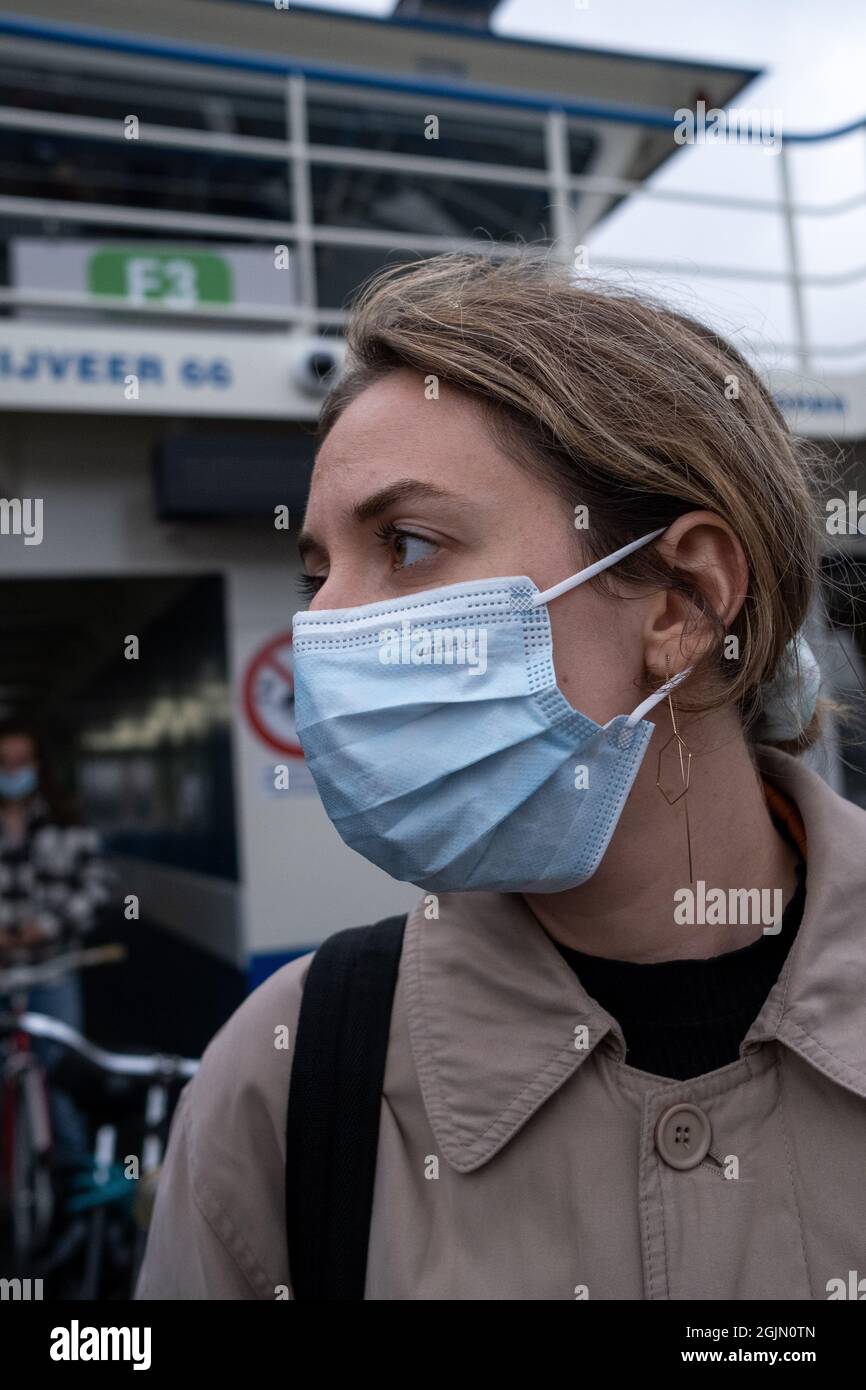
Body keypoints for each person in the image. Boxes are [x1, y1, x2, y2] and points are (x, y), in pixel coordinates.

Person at [136, 253, 866, 1301]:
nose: (321, 626)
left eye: (410, 543)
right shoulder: (292, 1075)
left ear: (680, 602)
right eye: (315, 571)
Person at [0, 720, 113, 1170]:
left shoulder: (68, 821)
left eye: (21, 762)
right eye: (3, 763)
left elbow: (100, 887)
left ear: (39, 765)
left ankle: (77, 1184)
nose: (13, 771)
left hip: (53, 972)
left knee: (62, 1079)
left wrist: (47, 926)